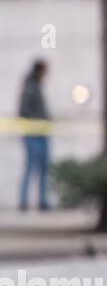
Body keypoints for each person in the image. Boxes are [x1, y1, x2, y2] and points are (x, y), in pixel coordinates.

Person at [17, 59, 52, 211]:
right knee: (31, 168)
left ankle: (42, 200)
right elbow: (24, 111)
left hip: (42, 132)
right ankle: (24, 202)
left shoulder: (36, 86)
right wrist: (38, 121)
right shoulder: (29, 87)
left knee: (44, 169)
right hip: (32, 134)